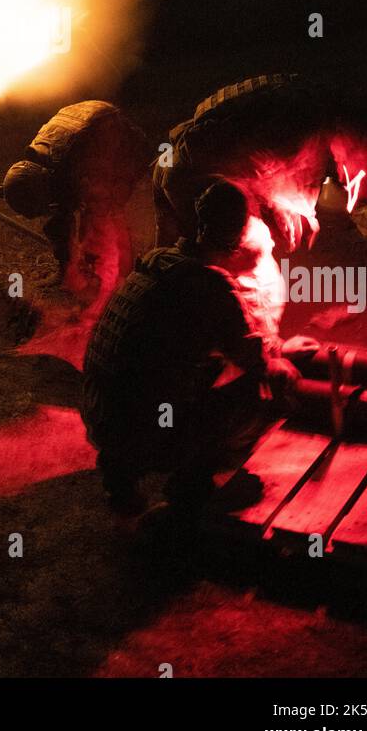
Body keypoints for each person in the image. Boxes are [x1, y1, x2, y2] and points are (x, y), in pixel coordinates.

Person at [82, 181, 296, 525]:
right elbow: (255, 360)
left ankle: (119, 472)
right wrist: (280, 357)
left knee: (169, 373)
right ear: (239, 237)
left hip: (99, 413)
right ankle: (192, 486)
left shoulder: (155, 262)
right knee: (266, 389)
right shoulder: (210, 287)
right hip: (143, 428)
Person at [153, 73, 367, 251]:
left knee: (166, 262)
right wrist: (284, 206)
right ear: (357, 137)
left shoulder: (310, 106)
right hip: (184, 173)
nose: (354, 174)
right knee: (212, 255)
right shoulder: (302, 125)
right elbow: (254, 165)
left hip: (177, 161)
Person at [2, 100, 151, 296]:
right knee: (60, 218)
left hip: (126, 150)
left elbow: (97, 203)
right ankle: (69, 273)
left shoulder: (82, 158)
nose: (46, 209)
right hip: (92, 137)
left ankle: (123, 279)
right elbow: (60, 210)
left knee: (106, 215)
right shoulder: (43, 156)